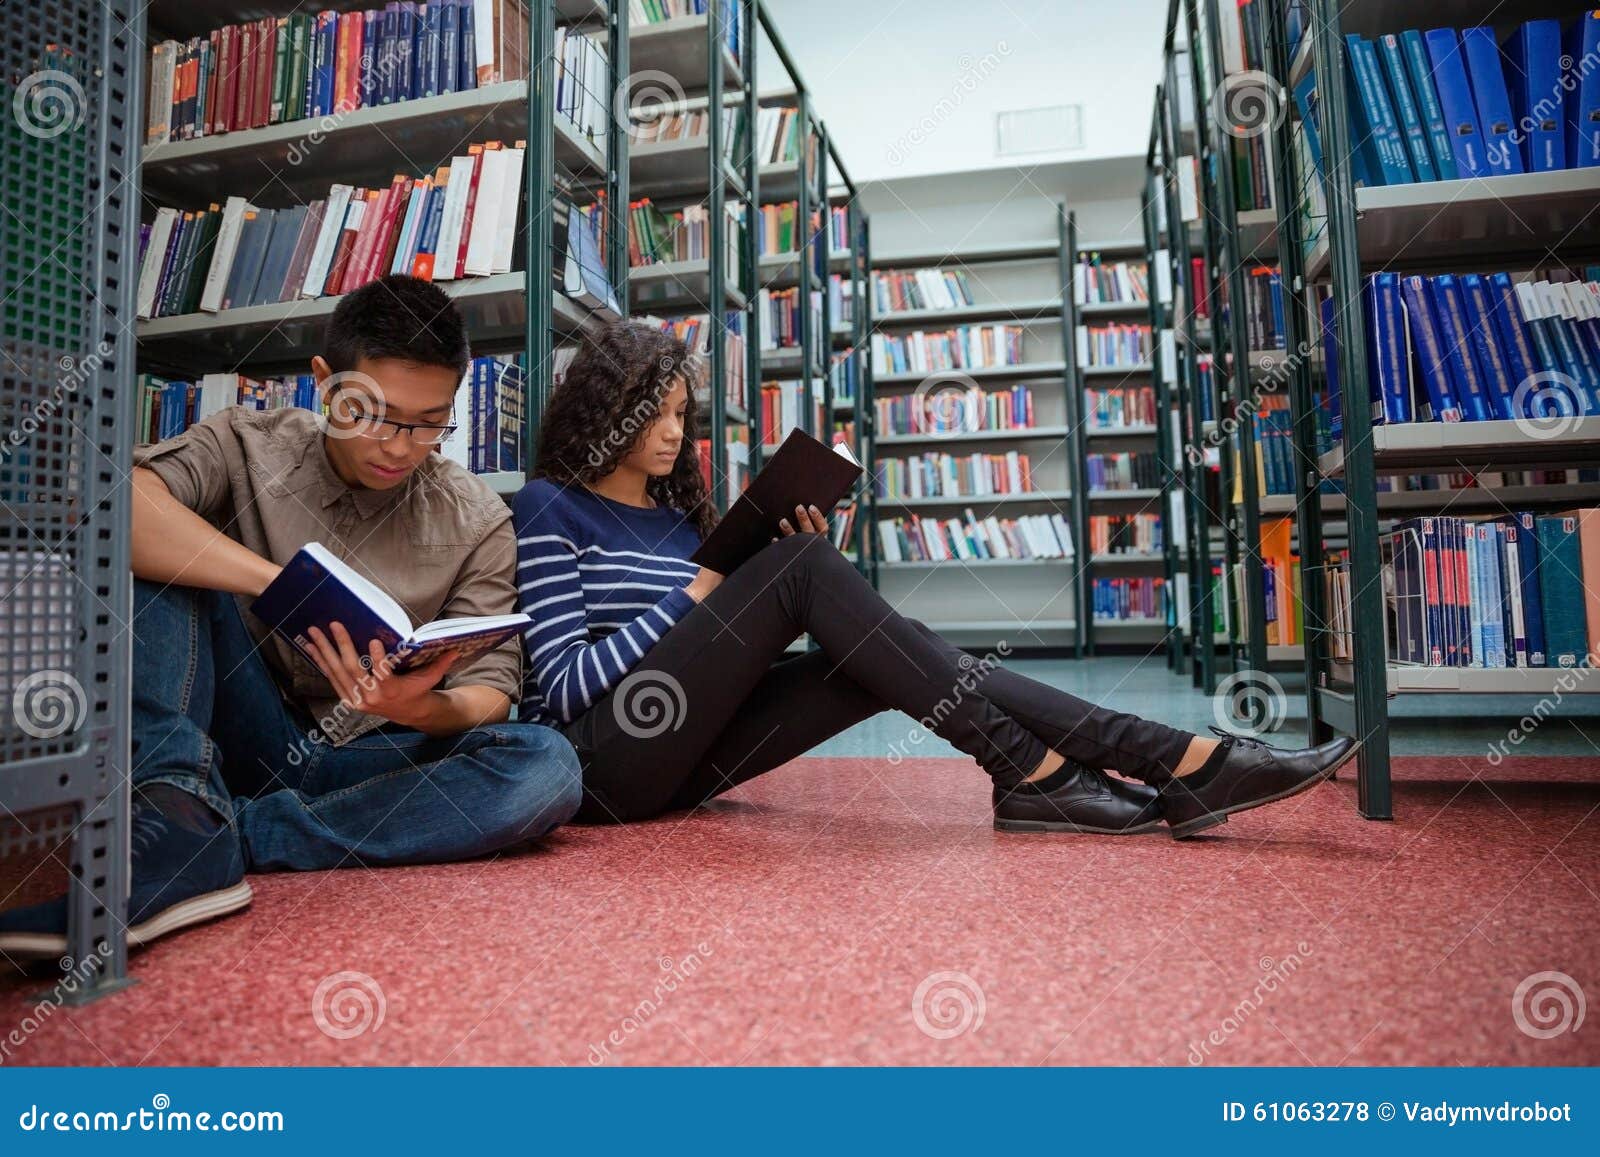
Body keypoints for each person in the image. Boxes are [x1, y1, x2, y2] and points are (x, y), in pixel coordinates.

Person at [513, 321, 1355, 836]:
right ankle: (1125, 764)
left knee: (882, 652)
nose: (673, 432)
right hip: (608, 768)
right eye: (655, 412)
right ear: (605, 406)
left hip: (688, 762)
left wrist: (755, 588)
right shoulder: (551, 506)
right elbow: (558, 694)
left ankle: (1141, 760)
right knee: (813, 575)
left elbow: (717, 671)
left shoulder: (681, 517)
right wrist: (701, 593)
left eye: (681, 414)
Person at [0, 276, 581, 959]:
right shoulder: (248, 441)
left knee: (546, 766)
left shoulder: (478, 516)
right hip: (243, 726)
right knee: (157, 563)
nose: (400, 446)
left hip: (372, 760)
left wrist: (417, 707)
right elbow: (113, 514)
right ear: (326, 385)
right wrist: (277, 583)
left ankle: (223, 837)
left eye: (429, 423)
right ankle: (177, 801)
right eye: (378, 414)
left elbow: (493, 691)